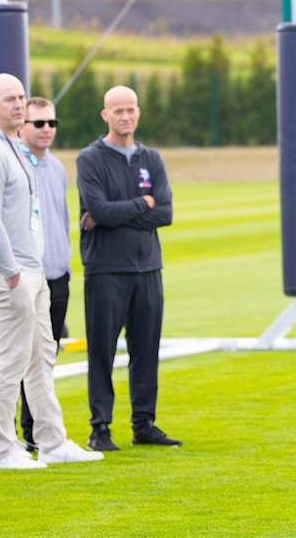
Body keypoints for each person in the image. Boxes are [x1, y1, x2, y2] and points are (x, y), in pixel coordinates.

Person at [0, 73, 103, 469]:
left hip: (34, 270)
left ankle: (52, 440)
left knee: (41, 357)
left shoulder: (15, 148)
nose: (18, 104)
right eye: (9, 99)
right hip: (11, 272)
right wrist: (11, 272)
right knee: (11, 359)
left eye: (21, 97)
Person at [77, 85, 178, 452]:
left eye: (130, 109)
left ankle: (144, 423)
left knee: (146, 349)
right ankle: (100, 428)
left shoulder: (151, 158)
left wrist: (117, 213)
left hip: (148, 267)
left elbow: (165, 213)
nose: (125, 116)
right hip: (106, 268)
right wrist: (142, 205)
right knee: (102, 351)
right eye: (117, 110)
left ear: (138, 112)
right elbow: (99, 210)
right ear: (105, 115)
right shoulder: (90, 159)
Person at [17, 97, 72, 452]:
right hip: (27, 275)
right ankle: (26, 432)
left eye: (52, 123)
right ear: (23, 126)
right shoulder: (16, 165)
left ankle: (41, 429)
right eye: (39, 123)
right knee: (23, 355)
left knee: (48, 355)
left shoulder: (57, 168)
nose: (47, 129)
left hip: (57, 274)